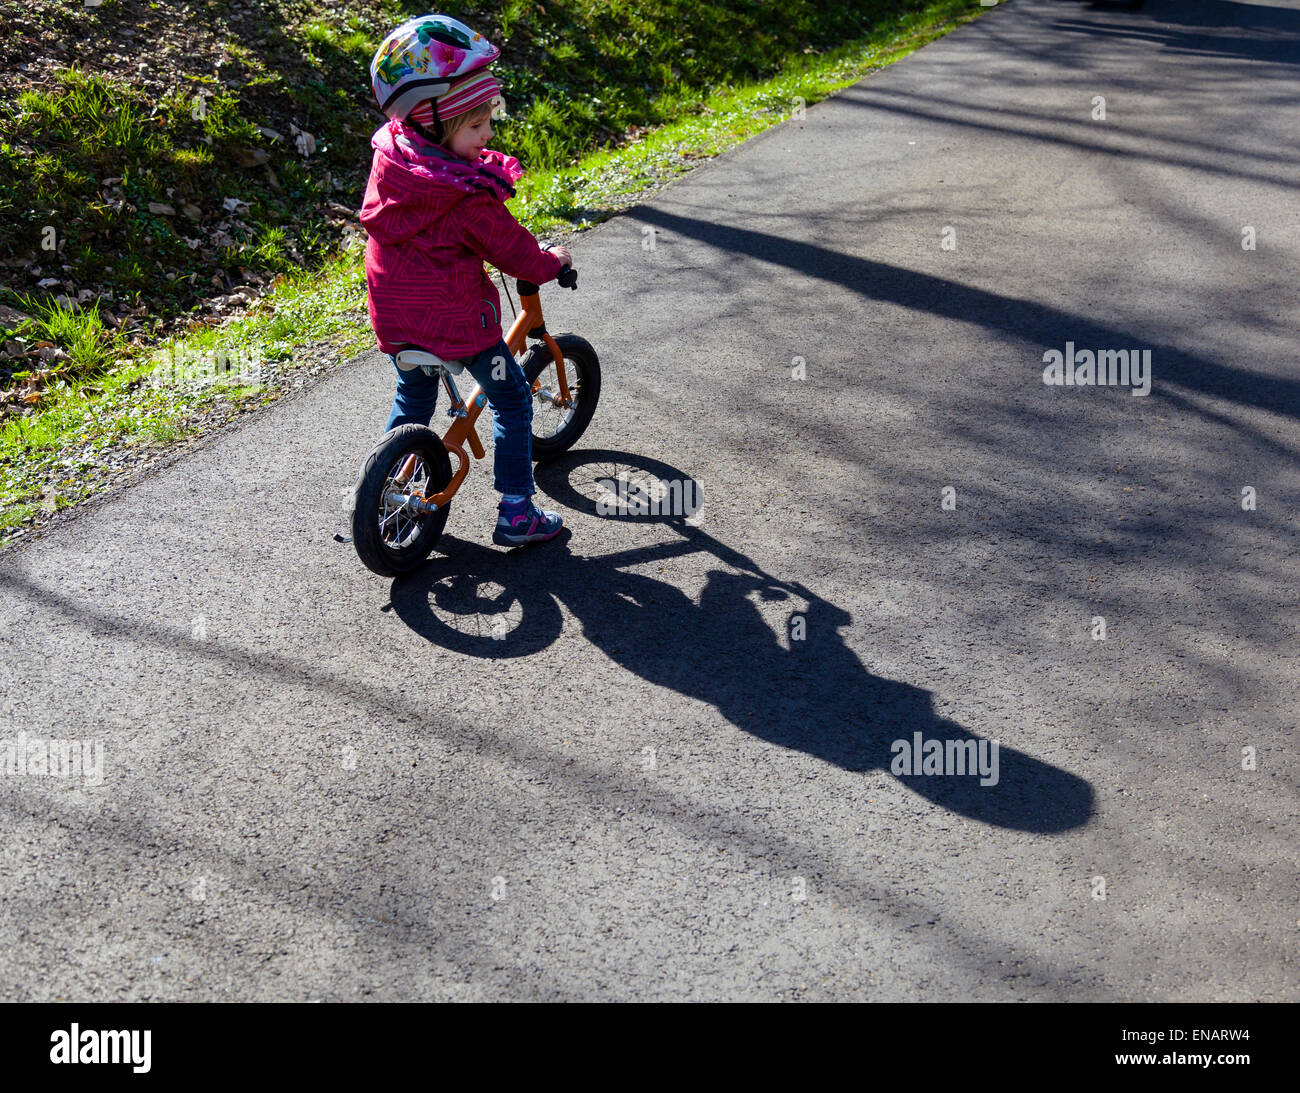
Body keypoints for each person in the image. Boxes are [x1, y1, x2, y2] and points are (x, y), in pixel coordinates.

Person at [360, 14, 572, 548]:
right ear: (434, 122)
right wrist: (551, 261)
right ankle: (517, 511)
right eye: (477, 127)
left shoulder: (391, 159)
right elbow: (514, 251)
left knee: (414, 390)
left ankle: (392, 479)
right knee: (514, 395)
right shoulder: (466, 196)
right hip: (458, 325)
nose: (489, 135)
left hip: (395, 316)